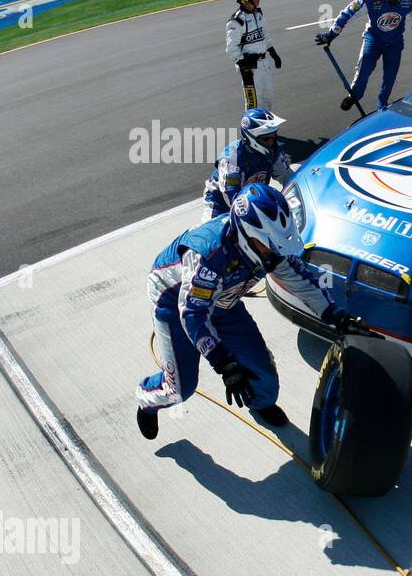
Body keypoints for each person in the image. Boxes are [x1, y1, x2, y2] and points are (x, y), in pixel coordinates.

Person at [136, 185, 362, 439]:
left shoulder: (270, 248)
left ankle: (260, 403)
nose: (274, 254)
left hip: (222, 300)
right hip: (175, 301)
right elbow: (193, 314)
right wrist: (225, 365)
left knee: (263, 376)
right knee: (180, 388)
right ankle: (147, 400)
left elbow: (302, 279)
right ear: (246, 235)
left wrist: (336, 316)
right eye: (268, 247)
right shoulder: (209, 257)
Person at [315, 0, 412, 112]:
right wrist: (331, 34)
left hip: (395, 43)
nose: (393, 1)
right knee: (364, 67)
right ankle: (354, 95)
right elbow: (348, 13)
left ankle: (382, 105)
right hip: (374, 40)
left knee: (390, 77)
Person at [201, 109, 292, 222]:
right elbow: (231, 197)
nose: (271, 142)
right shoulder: (232, 158)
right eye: (266, 138)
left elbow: (287, 177)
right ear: (251, 137)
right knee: (214, 236)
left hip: (253, 199)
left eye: (273, 136)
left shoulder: (274, 150)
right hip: (219, 204)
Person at [226, 0, 281, 111]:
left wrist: (273, 53)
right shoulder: (236, 22)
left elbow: (265, 35)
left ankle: (267, 129)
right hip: (250, 69)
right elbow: (231, 49)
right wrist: (244, 67)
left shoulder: (258, 14)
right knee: (254, 103)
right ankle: (252, 131)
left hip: (264, 64)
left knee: (268, 98)